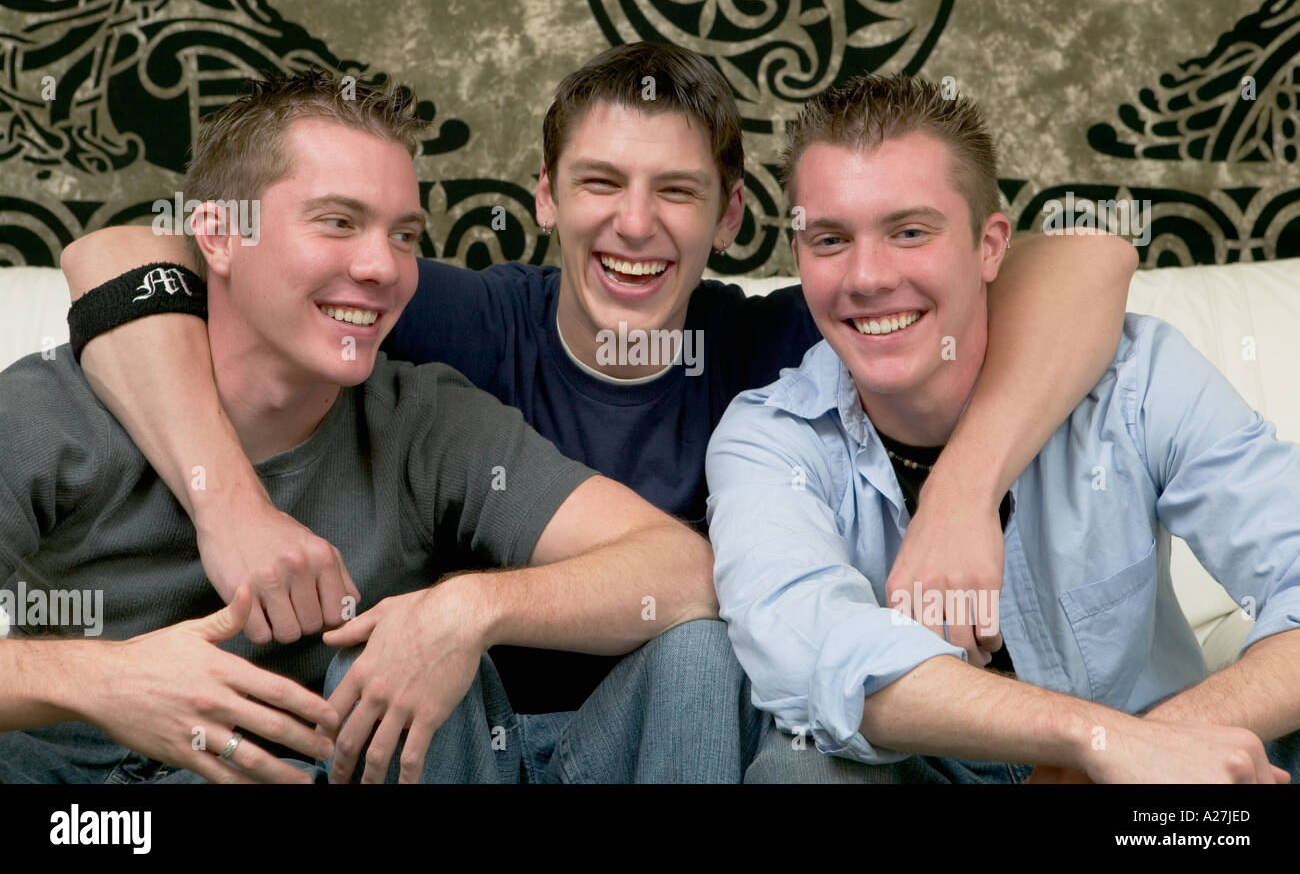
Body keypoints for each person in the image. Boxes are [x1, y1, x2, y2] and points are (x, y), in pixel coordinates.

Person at [60, 43, 1137, 718]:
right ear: (544, 195)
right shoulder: (447, 310)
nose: (633, 223)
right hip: (447, 729)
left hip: (679, 730)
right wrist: (228, 504)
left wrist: (958, 495)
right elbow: (115, 257)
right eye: (599, 183)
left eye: (676, 191)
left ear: (728, 219)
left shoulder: (775, 343)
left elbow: (1087, 258)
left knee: (704, 658)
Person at [0, 70, 741, 784]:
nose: (382, 266)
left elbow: (680, 569)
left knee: (691, 649)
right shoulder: (50, 411)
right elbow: (112, 256)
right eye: (339, 221)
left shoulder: (422, 420)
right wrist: (108, 679)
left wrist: (465, 609)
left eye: (406, 235)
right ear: (218, 237)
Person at [705, 72, 1300, 783]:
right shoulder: (768, 441)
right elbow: (822, 657)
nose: (867, 276)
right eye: (830, 239)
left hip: (1145, 795)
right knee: (794, 774)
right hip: (928, 778)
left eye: (910, 231)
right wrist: (1092, 739)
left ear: (991, 246)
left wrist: (1155, 745)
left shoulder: (1136, 381)